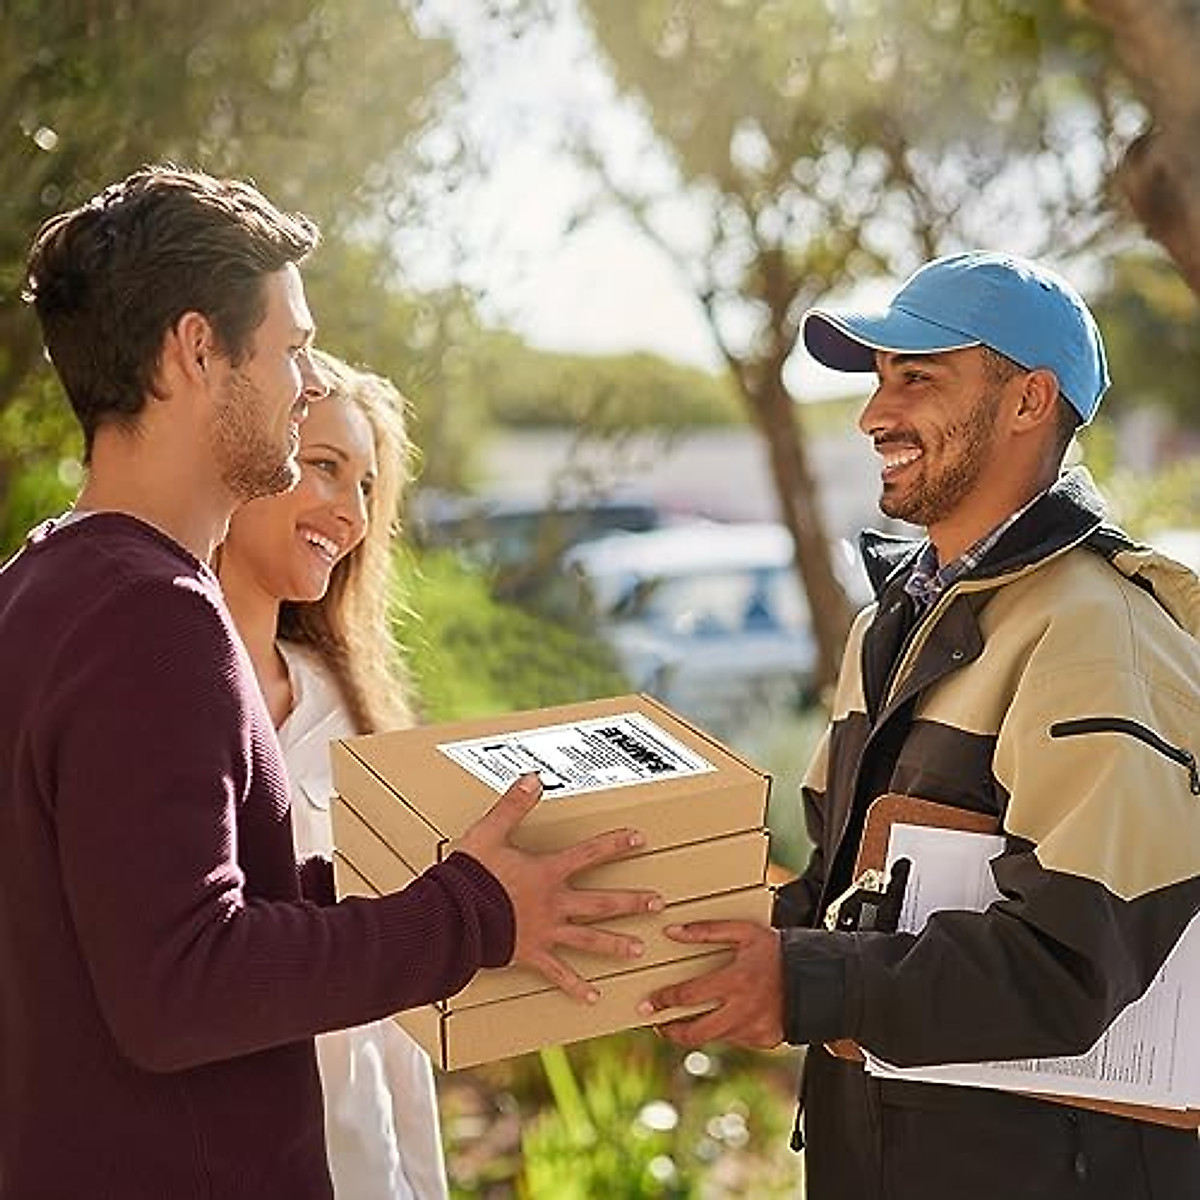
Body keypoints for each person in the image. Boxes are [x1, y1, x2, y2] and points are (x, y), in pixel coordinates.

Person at [0, 165, 660, 1200]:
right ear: (196, 350)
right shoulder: (154, 618)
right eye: (292, 348)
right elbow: (181, 985)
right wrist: (467, 915)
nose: (310, 383)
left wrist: (441, 885)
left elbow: (137, 921)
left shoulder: (38, 588)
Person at [641, 251, 1200, 1199]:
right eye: (877, 380)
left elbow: (1071, 961)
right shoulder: (887, 625)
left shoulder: (1100, 633)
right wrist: (685, 944)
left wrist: (801, 981)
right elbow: (841, 895)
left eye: (918, 377)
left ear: (1030, 399)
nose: (873, 415)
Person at [216, 350, 446, 1199]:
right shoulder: (153, 686)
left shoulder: (347, 704)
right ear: (244, 458)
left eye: (365, 488)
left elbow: (393, 1023)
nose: (348, 514)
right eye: (323, 466)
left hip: (362, 1161)